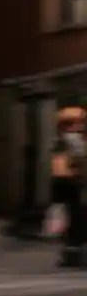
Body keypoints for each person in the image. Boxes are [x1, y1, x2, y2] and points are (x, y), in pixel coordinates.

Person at [50, 107, 86, 267]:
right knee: (75, 220)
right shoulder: (65, 143)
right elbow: (60, 168)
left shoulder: (72, 141)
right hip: (73, 187)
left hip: (74, 186)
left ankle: (74, 255)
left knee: (76, 221)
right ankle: (73, 256)